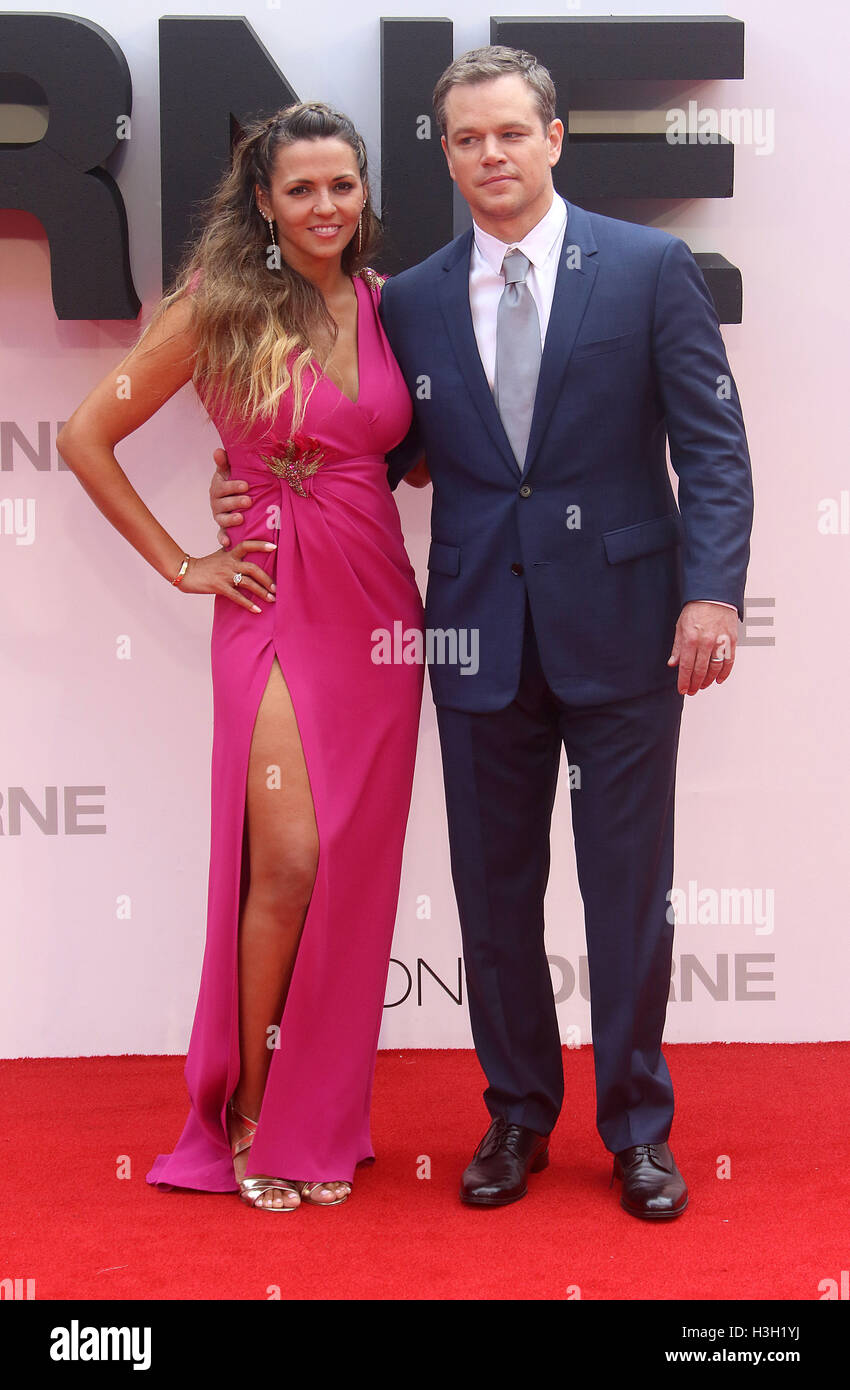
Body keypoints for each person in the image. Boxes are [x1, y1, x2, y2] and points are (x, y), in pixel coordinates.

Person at [210, 47, 753, 1219]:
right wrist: (244, 486)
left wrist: (711, 592)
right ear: (444, 154)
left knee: (626, 891)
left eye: (510, 132)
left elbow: (712, 448)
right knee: (493, 899)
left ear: (553, 137)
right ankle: (515, 1118)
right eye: (466, 140)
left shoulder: (652, 270)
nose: (490, 155)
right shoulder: (401, 300)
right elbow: (373, 444)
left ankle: (637, 1131)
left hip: (625, 631)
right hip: (469, 637)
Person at [57, 102, 424, 1211]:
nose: (324, 207)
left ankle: (321, 1116)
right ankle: (252, 1109)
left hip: (378, 613)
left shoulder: (377, 304)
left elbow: (399, 453)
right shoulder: (217, 305)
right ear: (261, 201)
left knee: (349, 874)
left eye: (341, 187)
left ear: (365, 196)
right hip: (270, 599)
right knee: (290, 859)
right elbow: (85, 434)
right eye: (300, 189)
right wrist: (184, 562)